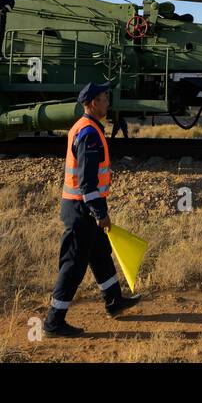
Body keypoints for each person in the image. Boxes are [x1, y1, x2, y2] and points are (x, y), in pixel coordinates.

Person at [43, 82, 140, 338]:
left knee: (99, 253)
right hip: (81, 209)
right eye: (104, 98)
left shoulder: (85, 127)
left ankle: (114, 301)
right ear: (92, 103)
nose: (108, 102)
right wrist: (99, 212)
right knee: (73, 266)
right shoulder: (89, 134)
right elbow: (87, 183)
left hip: (83, 206)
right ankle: (54, 321)